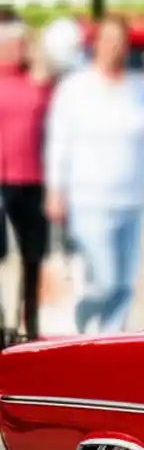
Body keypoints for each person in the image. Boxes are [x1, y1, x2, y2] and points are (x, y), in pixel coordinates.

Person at [43, 15, 144, 334]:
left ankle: (113, 342)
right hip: (90, 199)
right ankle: (85, 322)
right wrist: (55, 191)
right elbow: (59, 142)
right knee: (105, 279)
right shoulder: (75, 88)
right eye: (108, 39)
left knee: (125, 284)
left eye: (121, 41)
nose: (115, 47)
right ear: (96, 43)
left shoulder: (136, 87)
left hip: (130, 199)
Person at [0, 20, 53, 338]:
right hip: (1, 177)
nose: (17, 49)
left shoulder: (37, 81)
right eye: (11, 43)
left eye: (22, 43)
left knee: (34, 254)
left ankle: (30, 319)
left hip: (33, 177)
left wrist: (35, 50)